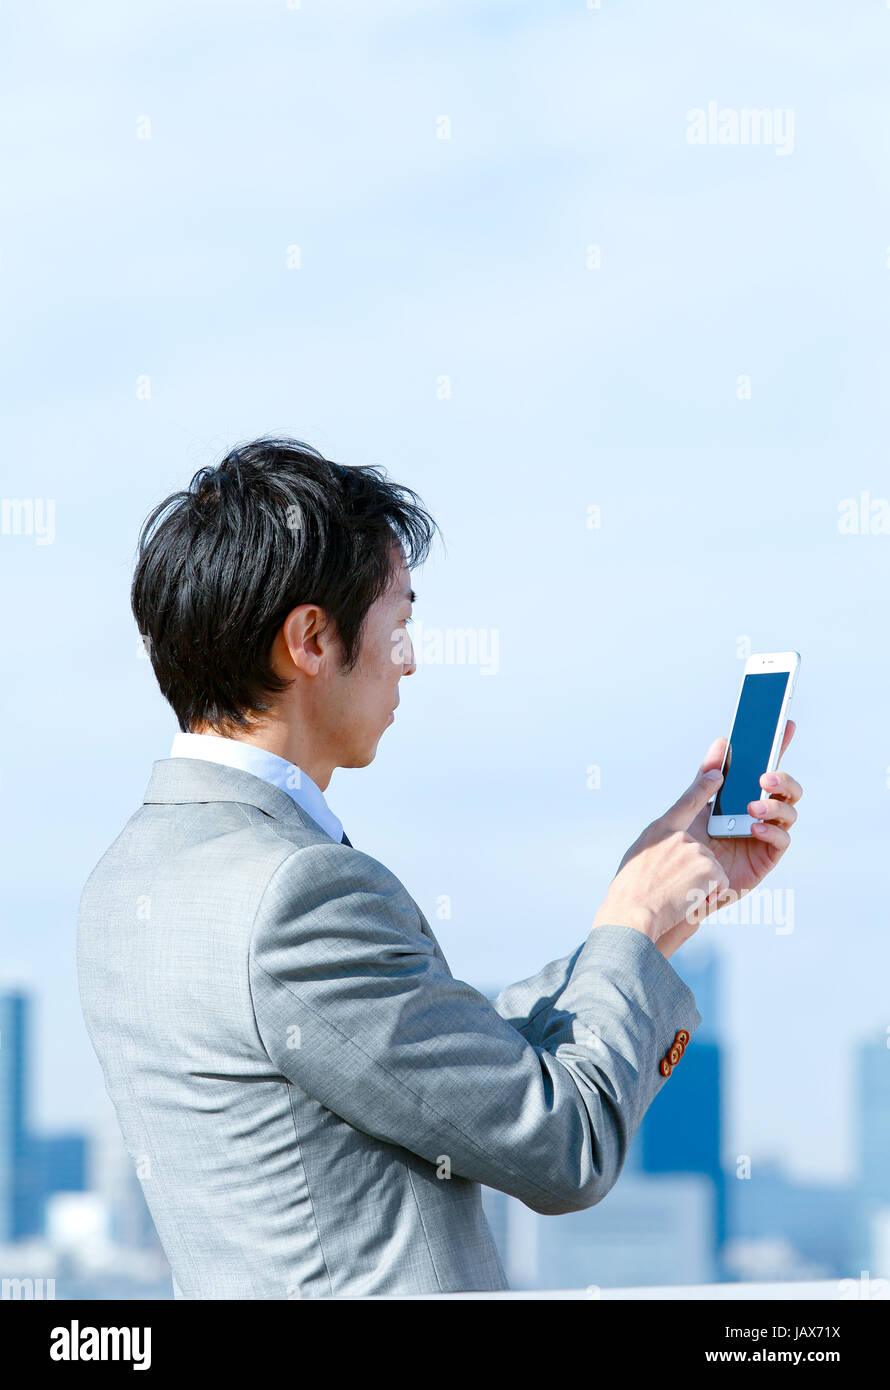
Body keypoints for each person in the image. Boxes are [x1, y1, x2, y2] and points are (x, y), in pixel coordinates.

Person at [77, 437, 802, 1298]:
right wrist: (633, 923)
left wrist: (659, 909)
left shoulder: (125, 881)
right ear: (310, 639)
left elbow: (420, 1054)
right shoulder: (292, 894)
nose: (410, 659)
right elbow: (566, 1147)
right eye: (400, 625)